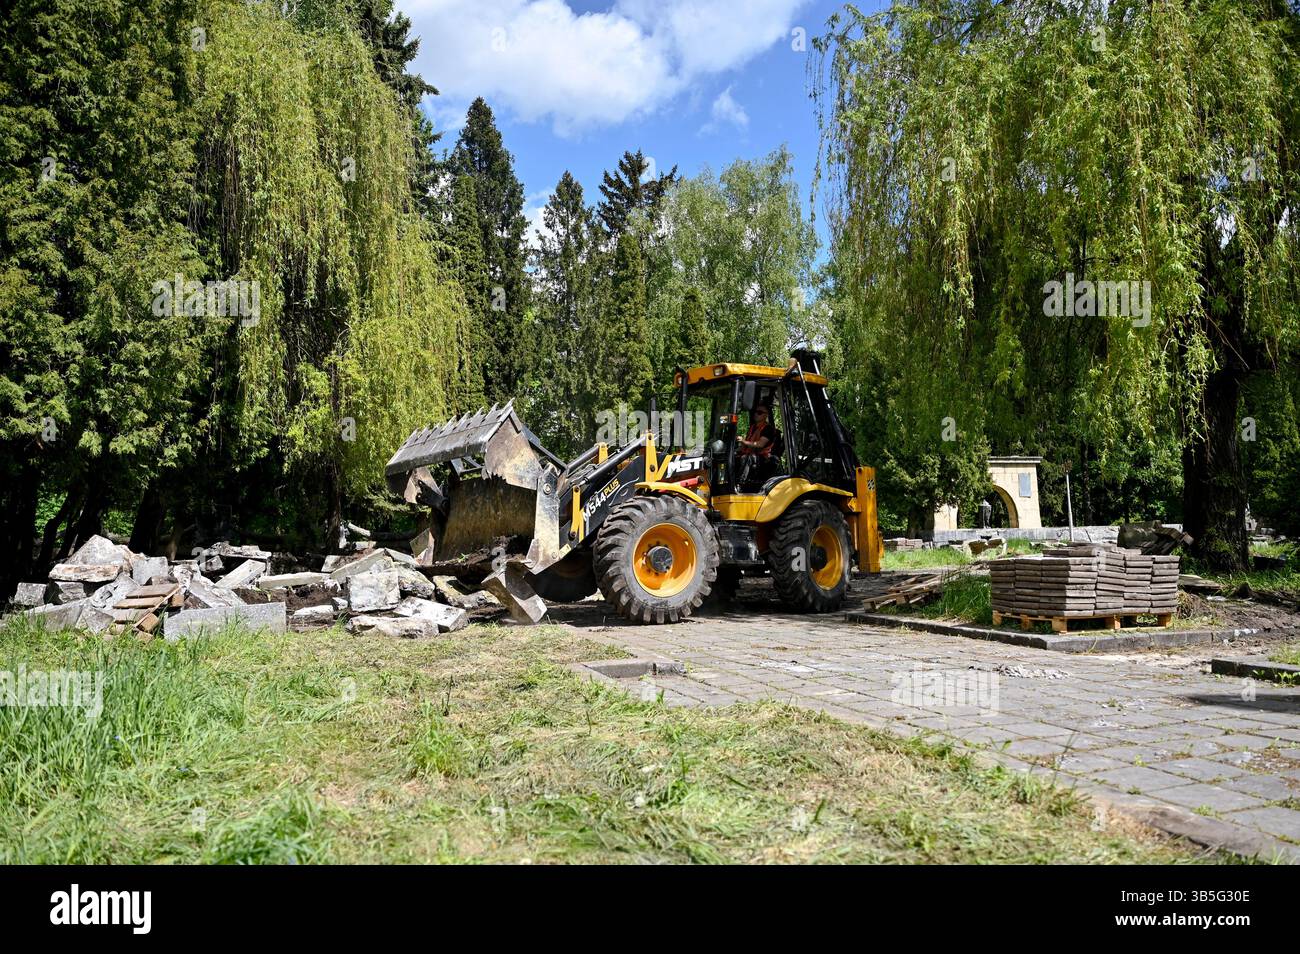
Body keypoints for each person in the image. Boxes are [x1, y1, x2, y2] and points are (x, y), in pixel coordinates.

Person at [738, 403, 782, 486]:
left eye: (759, 412)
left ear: (766, 415)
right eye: (755, 412)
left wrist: (743, 441)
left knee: (746, 458)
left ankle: (740, 483)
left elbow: (760, 444)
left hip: (763, 458)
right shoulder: (753, 427)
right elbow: (748, 443)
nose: (756, 414)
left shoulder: (768, 429)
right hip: (753, 454)